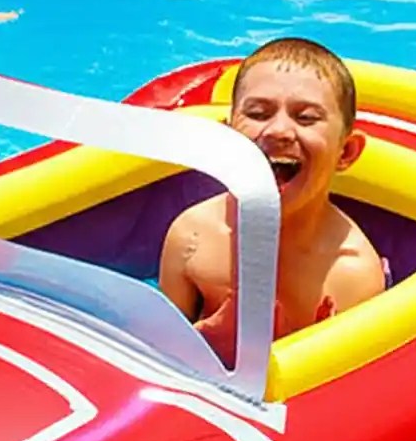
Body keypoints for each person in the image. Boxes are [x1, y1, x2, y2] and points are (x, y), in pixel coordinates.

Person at [157, 37, 387, 366]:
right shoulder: (192, 235)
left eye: (306, 118)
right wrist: (201, 343)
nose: (279, 130)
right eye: (257, 113)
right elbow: (157, 355)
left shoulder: (352, 274)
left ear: (346, 153)